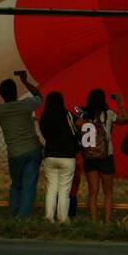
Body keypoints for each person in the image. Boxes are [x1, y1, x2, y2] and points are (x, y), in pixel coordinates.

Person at [0, 71, 43, 218]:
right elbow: (39, 96)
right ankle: (23, 217)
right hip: (32, 149)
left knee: (16, 185)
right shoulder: (26, 105)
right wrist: (25, 81)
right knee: (28, 185)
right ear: (16, 91)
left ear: (1, 94)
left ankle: (13, 214)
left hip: (14, 153)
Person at [75, 89, 125, 222]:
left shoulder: (84, 116)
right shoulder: (108, 114)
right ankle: (107, 221)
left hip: (89, 157)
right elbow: (123, 119)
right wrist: (119, 102)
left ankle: (93, 221)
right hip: (105, 157)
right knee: (108, 192)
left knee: (93, 192)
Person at [38, 91, 80, 222]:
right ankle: (63, 219)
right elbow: (82, 124)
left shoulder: (44, 116)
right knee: (64, 191)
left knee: (51, 189)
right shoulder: (67, 114)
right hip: (67, 156)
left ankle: (49, 218)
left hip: (50, 155)